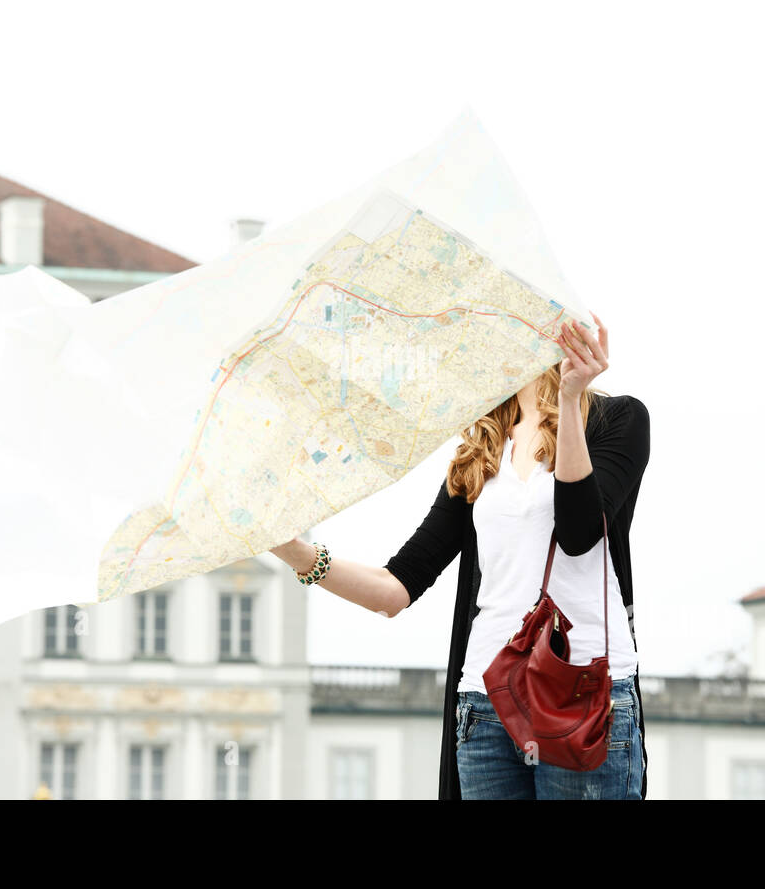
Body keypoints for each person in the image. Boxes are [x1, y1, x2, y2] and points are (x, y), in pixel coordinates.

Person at [271, 312, 651, 799]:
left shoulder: (617, 419)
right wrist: (295, 552)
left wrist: (571, 399)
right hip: (486, 704)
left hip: (583, 692)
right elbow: (396, 588)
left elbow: (579, 532)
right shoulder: (481, 452)